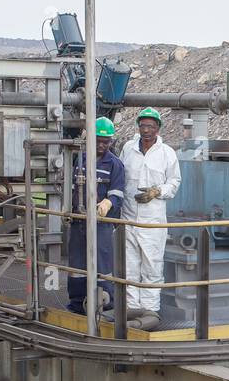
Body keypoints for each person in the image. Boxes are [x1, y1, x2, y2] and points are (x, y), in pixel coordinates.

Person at [118, 106, 180, 327]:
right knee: (130, 267)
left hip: (152, 222)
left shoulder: (167, 154)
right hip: (128, 219)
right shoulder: (128, 149)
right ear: (138, 127)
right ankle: (132, 309)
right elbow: (119, 176)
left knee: (152, 267)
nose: (146, 130)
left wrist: (157, 191)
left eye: (151, 127)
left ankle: (151, 311)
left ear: (158, 129)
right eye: (143, 126)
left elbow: (174, 182)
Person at [66, 117, 125, 316]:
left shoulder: (114, 164)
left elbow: (117, 193)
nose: (101, 144)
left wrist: (108, 204)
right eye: (98, 139)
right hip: (78, 221)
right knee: (77, 263)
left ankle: (104, 303)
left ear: (111, 142)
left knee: (102, 263)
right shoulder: (80, 159)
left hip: (101, 223)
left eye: (105, 141)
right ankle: (77, 303)